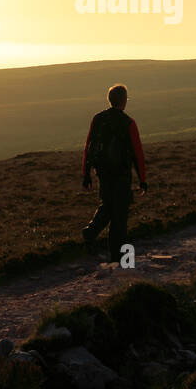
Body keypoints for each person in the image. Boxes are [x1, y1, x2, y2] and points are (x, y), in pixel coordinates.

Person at [81, 83, 147, 261]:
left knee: (107, 205)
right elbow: (137, 153)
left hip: (102, 172)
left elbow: (89, 147)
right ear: (124, 100)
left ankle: (90, 232)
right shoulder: (128, 123)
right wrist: (143, 180)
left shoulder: (98, 119)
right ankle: (120, 258)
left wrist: (86, 173)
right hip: (121, 175)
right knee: (120, 216)